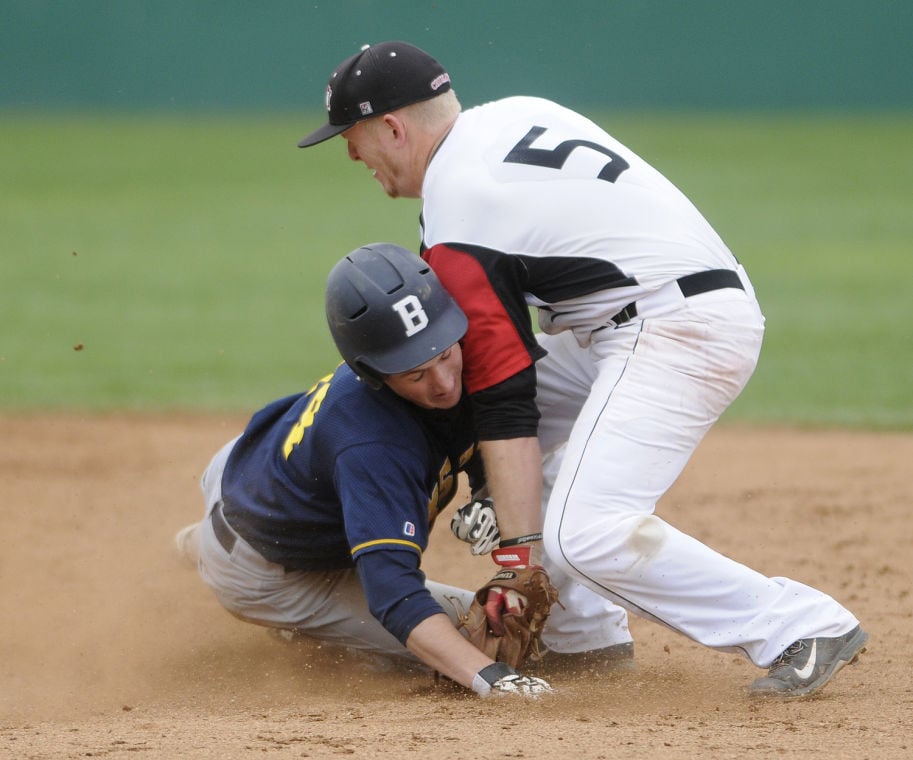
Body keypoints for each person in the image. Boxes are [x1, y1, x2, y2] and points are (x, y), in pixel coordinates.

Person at [296, 41, 869, 699]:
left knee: (584, 534)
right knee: (514, 461)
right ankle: (585, 638)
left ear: (393, 127)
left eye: (353, 136)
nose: (350, 155)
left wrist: (517, 555)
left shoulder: (459, 210)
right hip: (656, 315)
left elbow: (505, 392)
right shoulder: (510, 116)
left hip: (672, 329)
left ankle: (797, 625)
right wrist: (494, 487)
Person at [174, 243, 553, 698]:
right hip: (272, 572)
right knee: (476, 638)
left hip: (246, 470)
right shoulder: (374, 446)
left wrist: (488, 495)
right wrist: (493, 680)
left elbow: (481, 434)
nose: (444, 383)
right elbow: (394, 597)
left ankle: (197, 543)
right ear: (371, 371)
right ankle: (264, 596)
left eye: (446, 354)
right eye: (415, 374)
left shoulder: (441, 352)